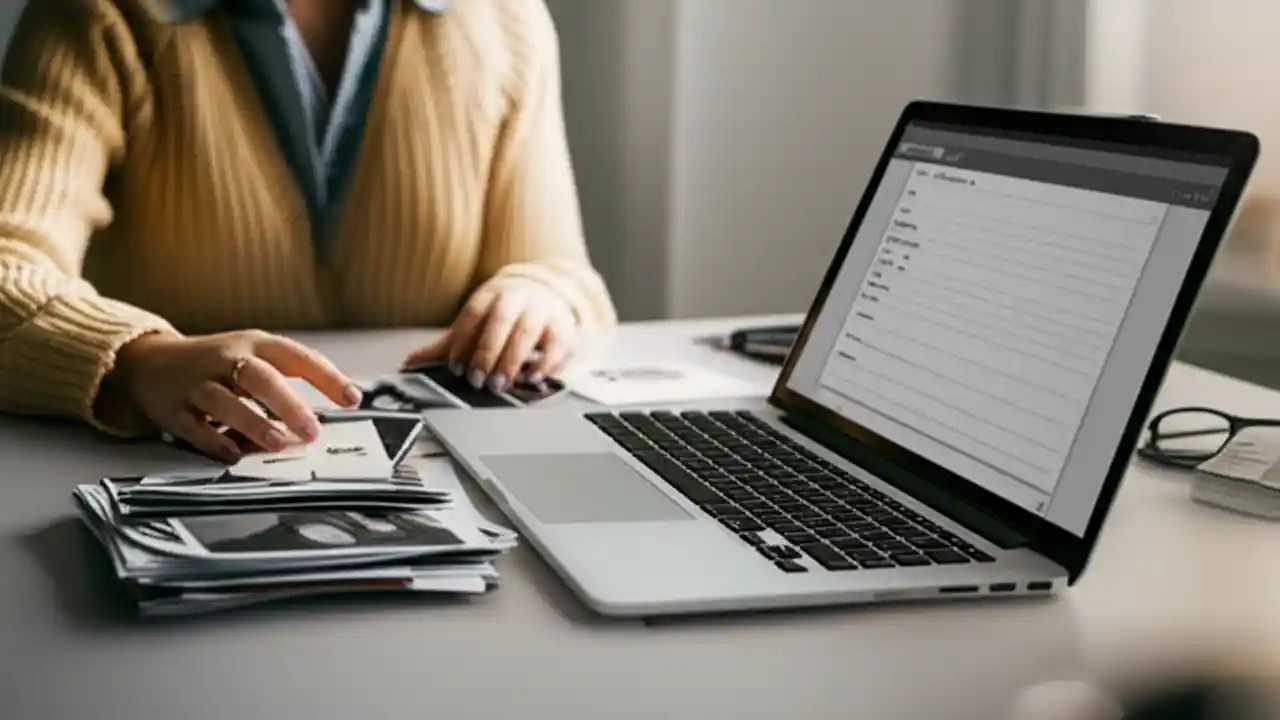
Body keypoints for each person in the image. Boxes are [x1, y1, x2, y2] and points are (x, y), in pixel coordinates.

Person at [0, 0, 615, 462]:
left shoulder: (506, 17)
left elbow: (559, 270)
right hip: (176, 465)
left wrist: (540, 295)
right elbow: (9, 267)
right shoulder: (96, 16)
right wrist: (139, 361)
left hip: (438, 475)